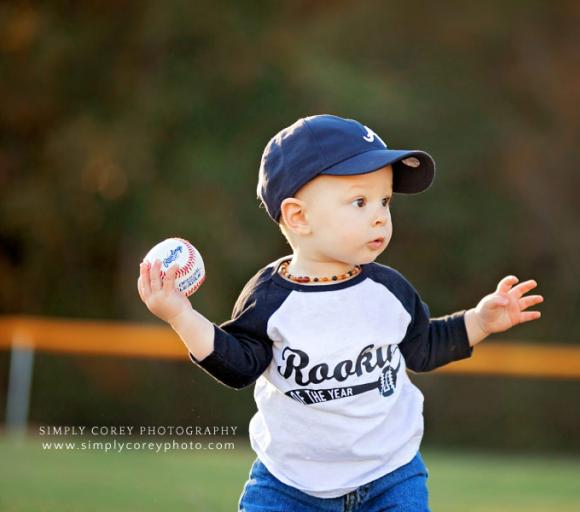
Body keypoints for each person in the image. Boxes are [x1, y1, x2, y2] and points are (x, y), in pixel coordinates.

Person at [137, 114, 543, 511]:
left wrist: (480, 320)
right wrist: (180, 316)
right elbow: (239, 366)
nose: (381, 214)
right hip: (288, 485)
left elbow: (424, 347)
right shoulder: (269, 298)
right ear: (299, 216)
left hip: (390, 475)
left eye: (385, 200)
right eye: (360, 201)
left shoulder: (389, 290)